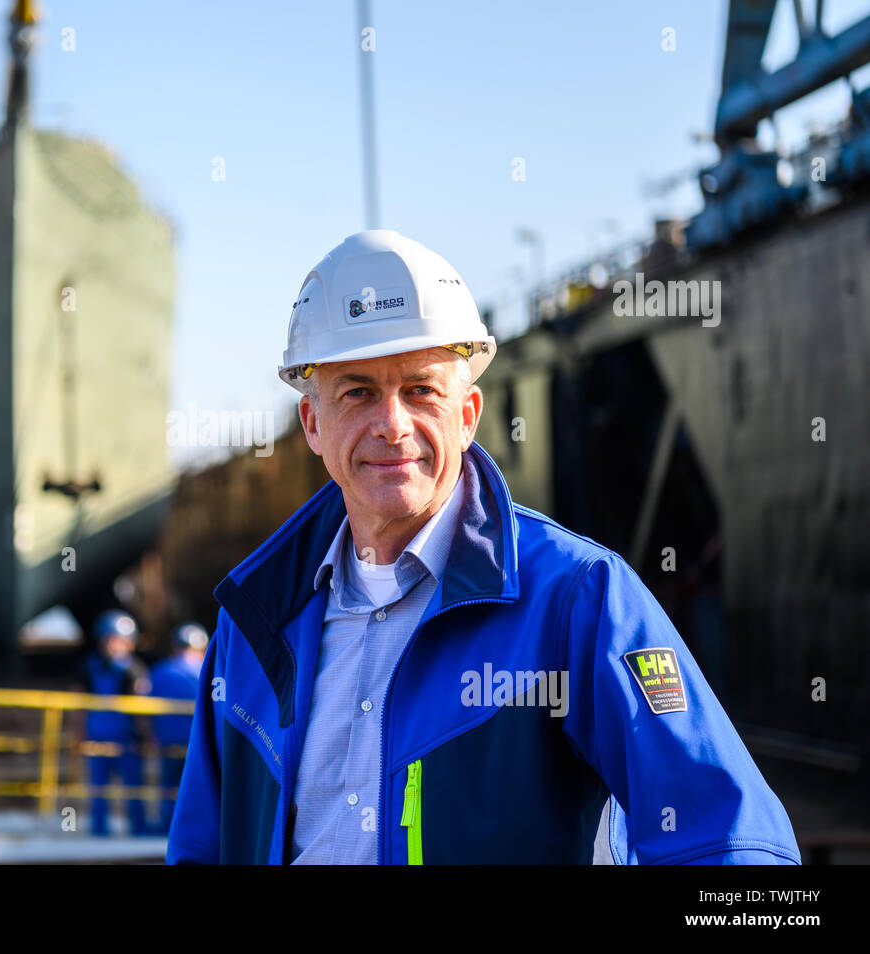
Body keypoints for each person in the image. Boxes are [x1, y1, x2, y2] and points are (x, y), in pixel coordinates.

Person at [166, 230, 800, 864]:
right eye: (357, 392)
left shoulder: (575, 601)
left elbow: (732, 844)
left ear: (467, 415)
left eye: (421, 390)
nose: (392, 423)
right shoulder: (249, 629)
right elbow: (198, 849)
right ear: (313, 423)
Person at [77, 609, 151, 836]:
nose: (115, 644)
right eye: (112, 639)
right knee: (99, 789)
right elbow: (77, 705)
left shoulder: (133, 669)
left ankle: (137, 828)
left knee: (133, 788)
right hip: (98, 736)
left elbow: (142, 708)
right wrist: (77, 735)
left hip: (125, 737)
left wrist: (145, 736)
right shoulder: (89, 667)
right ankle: (100, 830)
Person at [148, 622, 209, 834]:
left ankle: (168, 827)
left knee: (169, 785)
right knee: (199, 785)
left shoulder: (160, 671)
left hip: (167, 739)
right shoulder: (210, 668)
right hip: (201, 741)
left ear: (175, 646)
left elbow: (146, 707)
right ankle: (193, 830)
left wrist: (151, 736)